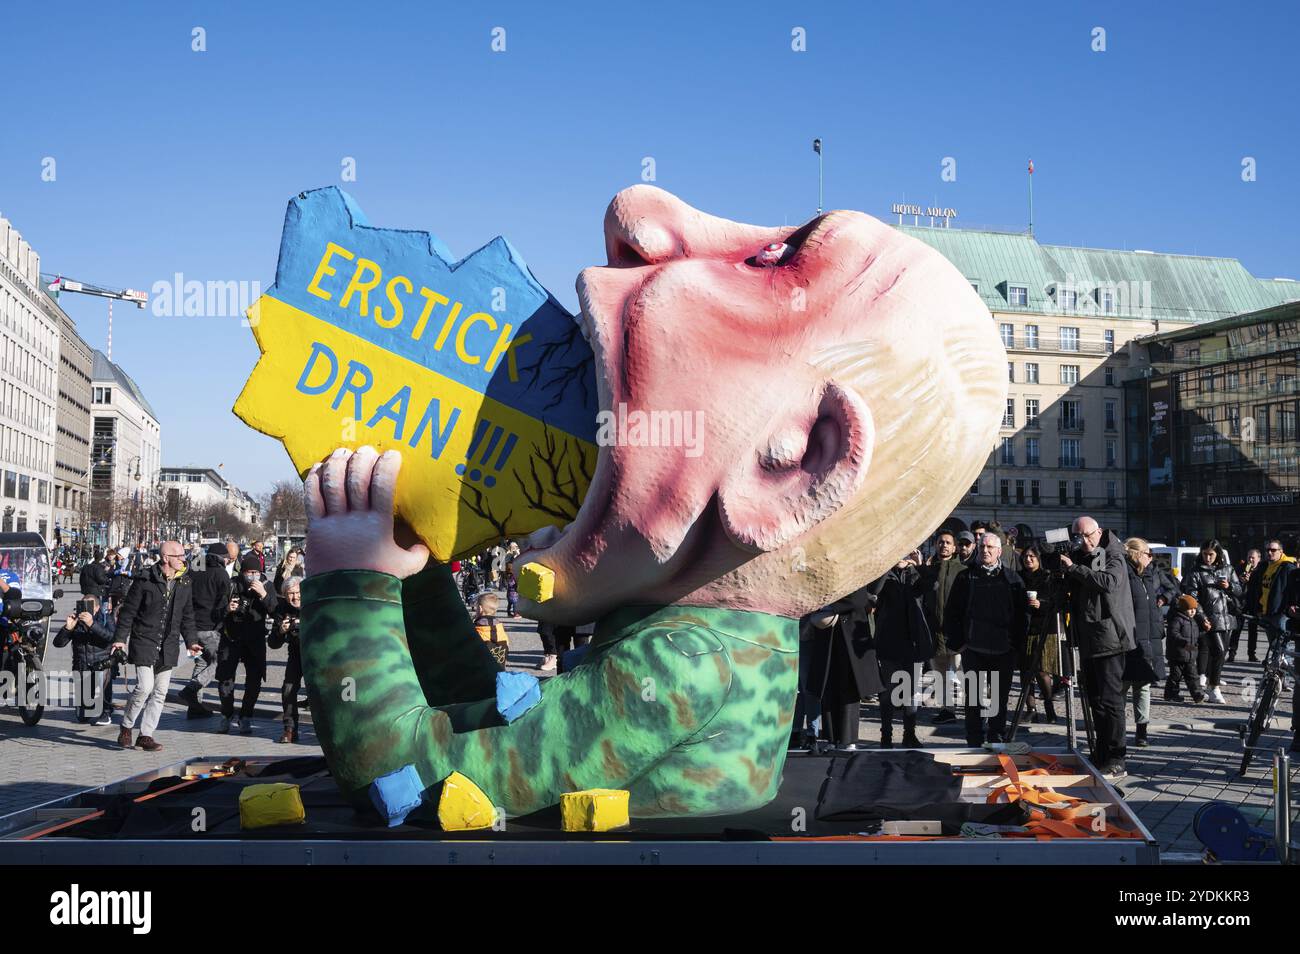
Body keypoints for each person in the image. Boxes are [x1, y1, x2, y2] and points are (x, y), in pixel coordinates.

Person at [1057, 516, 1137, 779]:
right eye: (1078, 537)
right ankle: (1101, 753)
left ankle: (1116, 758)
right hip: (1091, 638)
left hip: (1110, 638)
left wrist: (1073, 569)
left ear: (1099, 532)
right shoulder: (1086, 553)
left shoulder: (1112, 553)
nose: (1084, 541)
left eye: (1087, 536)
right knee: (1096, 700)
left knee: (1111, 702)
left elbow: (1108, 582)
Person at [112, 541, 196, 752]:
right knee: (145, 687)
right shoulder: (145, 579)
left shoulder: (185, 581)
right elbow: (128, 612)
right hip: (144, 640)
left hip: (168, 643)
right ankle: (127, 726)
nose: (183, 559)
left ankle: (146, 735)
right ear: (166, 558)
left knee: (160, 692)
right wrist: (120, 638)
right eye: (179, 556)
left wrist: (191, 641)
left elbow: (187, 616)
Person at [944, 532, 1027, 746]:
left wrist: (1016, 645)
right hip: (973, 648)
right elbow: (952, 611)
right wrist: (958, 643)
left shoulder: (1012, 578)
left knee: (999, 699)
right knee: (973, 699)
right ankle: (974, 738)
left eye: (990, 547)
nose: (985, 551)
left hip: (1003, 649)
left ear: (999, 551)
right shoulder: (965, 577)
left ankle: (996, 736)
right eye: (982, 547)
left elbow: (1022, 615)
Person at [807, 585, 879, 749]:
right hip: (828, 636)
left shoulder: (856, 573)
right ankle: (831, 738)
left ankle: (848, 739)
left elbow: (858, 599)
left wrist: (830, 606)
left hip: (850, 639)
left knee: (849, 688)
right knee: (828, 686)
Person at [871, 553, 931, 749]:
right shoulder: (884, 574)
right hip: (889, 641)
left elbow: (930, 588)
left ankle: (909, 734)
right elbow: (874, 590)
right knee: (889, 692)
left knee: (911, 693)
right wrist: (887, 564)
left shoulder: (915, 574)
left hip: (913, 642)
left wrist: (920, 566)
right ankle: (886, 736)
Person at [216, 554, 278, 734]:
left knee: (254, 680)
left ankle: (246, 716)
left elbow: (276, 612)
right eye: (249, 572)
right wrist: (227, 609)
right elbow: (215, 612)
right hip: (231, 637)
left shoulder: (266, 585)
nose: (253, 576)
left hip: (255, 638)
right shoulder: (231, 584)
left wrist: (264, 595)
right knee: (225, 678)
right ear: (242, 572)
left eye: (256, 572)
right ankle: (226, 714)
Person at [1123, 538, 1172, 747]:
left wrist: (1164, 600)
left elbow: (1172, 589)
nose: (1150, 558)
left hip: (1149, 637)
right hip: (1129, 638)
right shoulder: (1124, 573)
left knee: (1143, 686)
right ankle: (1114, 730)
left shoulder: (1151, 573)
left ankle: (1141, 730)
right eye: (1147, 553)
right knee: (1121, 687)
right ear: (1135, 554)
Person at [1180, 539, 1242, 704]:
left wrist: (1229, 586)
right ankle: (1214, 687)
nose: (1208, 557)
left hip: (1227, 618)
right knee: (1219, 651)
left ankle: (1211, 684)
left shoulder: (1228, 569)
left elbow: (1239, 590)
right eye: (1205, 554)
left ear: (1218, 554)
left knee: (1221, 655)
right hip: (1208, 618)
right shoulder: (1195, 572)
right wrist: (1201, 617)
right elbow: (1192, 597)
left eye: (1211, 554)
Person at [178, 542, 233, 718]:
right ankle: (191, 690)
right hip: (210, 627)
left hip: (191, 628)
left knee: (201, 662)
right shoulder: (221, 574)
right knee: (219, 662)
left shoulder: (195, 570)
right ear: (223, 558)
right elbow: (223, 602)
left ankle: (195, 707)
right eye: (227, 558)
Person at [922, 529, 965, 725]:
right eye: (941, 542)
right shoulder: (929, 570)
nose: (944, 545)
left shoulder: (962, 570)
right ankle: (947, 710)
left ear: (954, 547)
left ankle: (973, 707)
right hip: (934, 631)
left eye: (948, 542)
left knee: (961, 671)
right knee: (939, 674)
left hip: (955, 632)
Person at [52, 594, 116, 725]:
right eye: (82, 605)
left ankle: (106, 712)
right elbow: (58, 643)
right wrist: (67, 628)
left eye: (89, 605)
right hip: (82, 666)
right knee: (83, 716)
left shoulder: (105, 618)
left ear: (97, 608)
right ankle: (87, 704)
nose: (85, 609)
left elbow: (111, 637)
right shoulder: (76, 622)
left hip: (101, 663)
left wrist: (92, 624)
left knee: (104, 676)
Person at [1019, 545, 1063, 724]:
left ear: (1038, 558)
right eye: (1025, 556)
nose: (1028, 559)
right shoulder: (1018, 577)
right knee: (1025, 672)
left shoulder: (1048, 577)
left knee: (1042, 672)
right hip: (1024, 629)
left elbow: (1056, 602)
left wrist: (1041, 604)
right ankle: (1031, 709)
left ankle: (1049, 706)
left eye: (1032, 556)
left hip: (1044, 629)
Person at [268, 577, 303, 743]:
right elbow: (273, 644)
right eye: (290, 594)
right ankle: (290, 729)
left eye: (297, 593)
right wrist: (281, 631)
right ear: (284, 595)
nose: (295, 597)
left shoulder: (312, 605)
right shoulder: (282, 610)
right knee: (288, 690)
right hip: (296, 653)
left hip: (316, 654)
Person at [1165, 595, 1205, 703]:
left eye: (1194, 609)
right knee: (1175, 676)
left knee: (1193, 676)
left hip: (1190, 655)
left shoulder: (1193, 621)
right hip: (1177, 655)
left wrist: (1204, 631)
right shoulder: (1177, 620)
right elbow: (1173, 634)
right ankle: (1171, 694)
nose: (1193, 611)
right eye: (1190, 609)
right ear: (1183, 609)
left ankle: (1198, 694)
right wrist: (1183, 642)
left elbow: (1195, 635)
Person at [1231, 548, 1264, 662]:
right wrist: (1241, 581)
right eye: (1249, 557)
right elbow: (1233, 585)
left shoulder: (1262, 570)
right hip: (1241, 603)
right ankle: (1232, 653)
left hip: (1254, 603)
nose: (1250, 560)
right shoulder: (1241, 568)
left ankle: (1251, 654)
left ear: (1258, 559)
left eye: (1253, 558)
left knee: (1253, 629)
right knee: (1237, 628)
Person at [473, 592, 509, 668]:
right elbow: (507, 647)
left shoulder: (477, 629)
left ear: (480, 609)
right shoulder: (500, 628)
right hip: (499, 671)